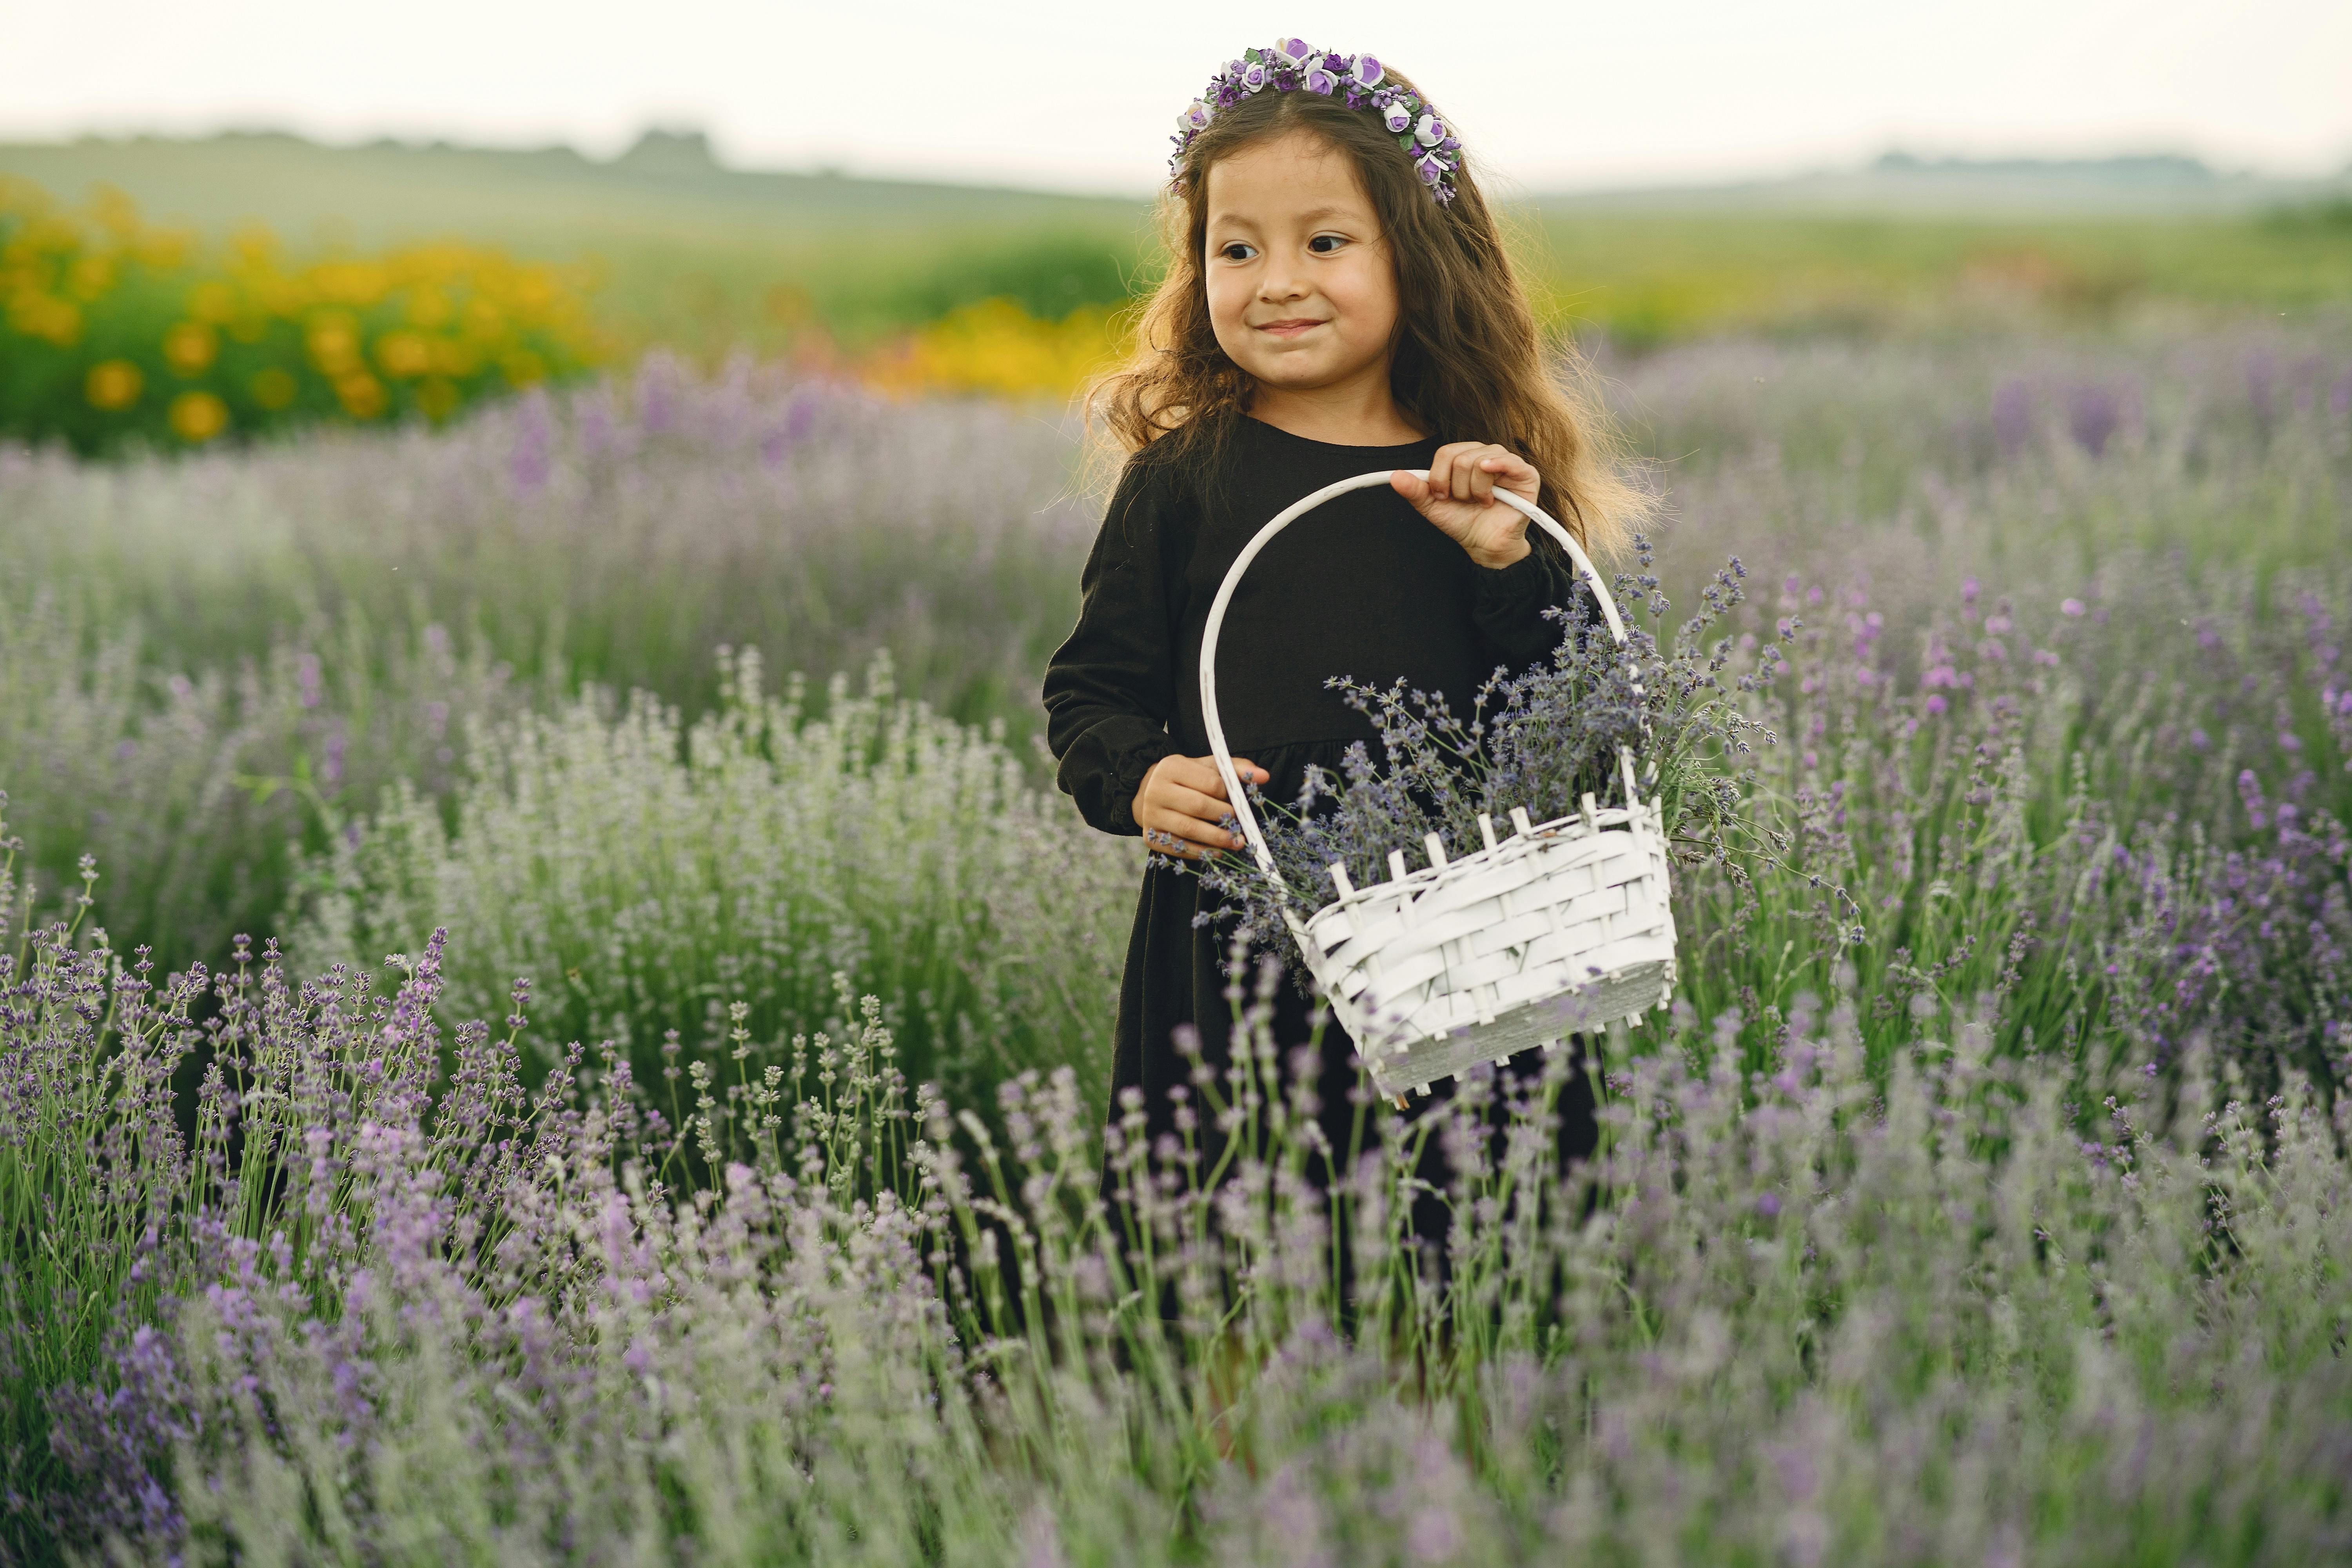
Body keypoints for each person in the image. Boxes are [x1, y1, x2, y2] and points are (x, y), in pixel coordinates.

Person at [1044, 42, 1642, 1192]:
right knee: (1235, 1230)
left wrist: (1506, 557)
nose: (1275, 281)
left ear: (1418, 255)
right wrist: (1137, 777)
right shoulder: (1187, 478)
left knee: (1465, 1238)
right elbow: (1093, 689)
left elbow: (1583, 718)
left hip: (1464, 929)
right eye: (1236, 248)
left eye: (1326, 242)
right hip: (1239, 927)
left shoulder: (1481, 485)